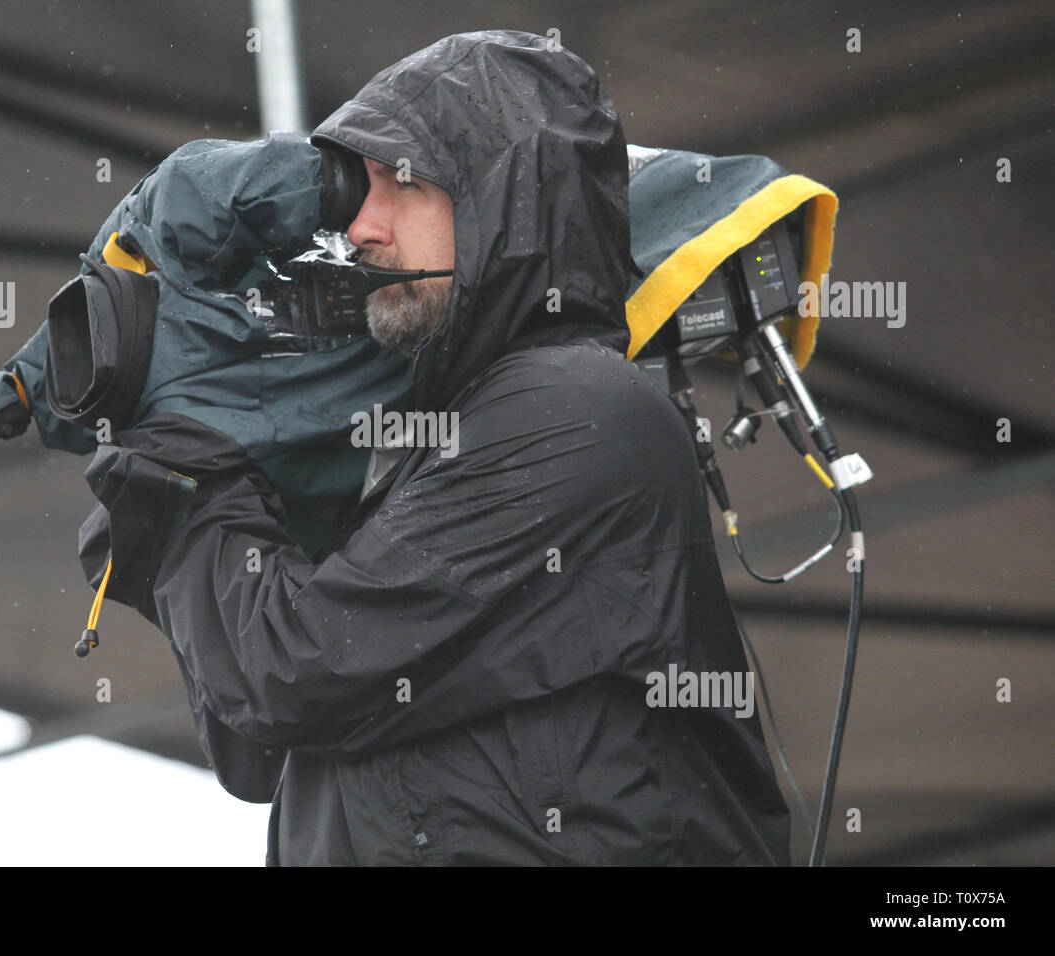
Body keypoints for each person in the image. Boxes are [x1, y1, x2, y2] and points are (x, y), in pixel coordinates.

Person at [79, 29, 792, 865]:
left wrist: (181, 459)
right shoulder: (413, 447)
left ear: (509, 200)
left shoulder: (576, 405)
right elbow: (251, 744)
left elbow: (292, 674)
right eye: (357, 191)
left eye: (402, 184)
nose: (362, 227)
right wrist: (201, 451)